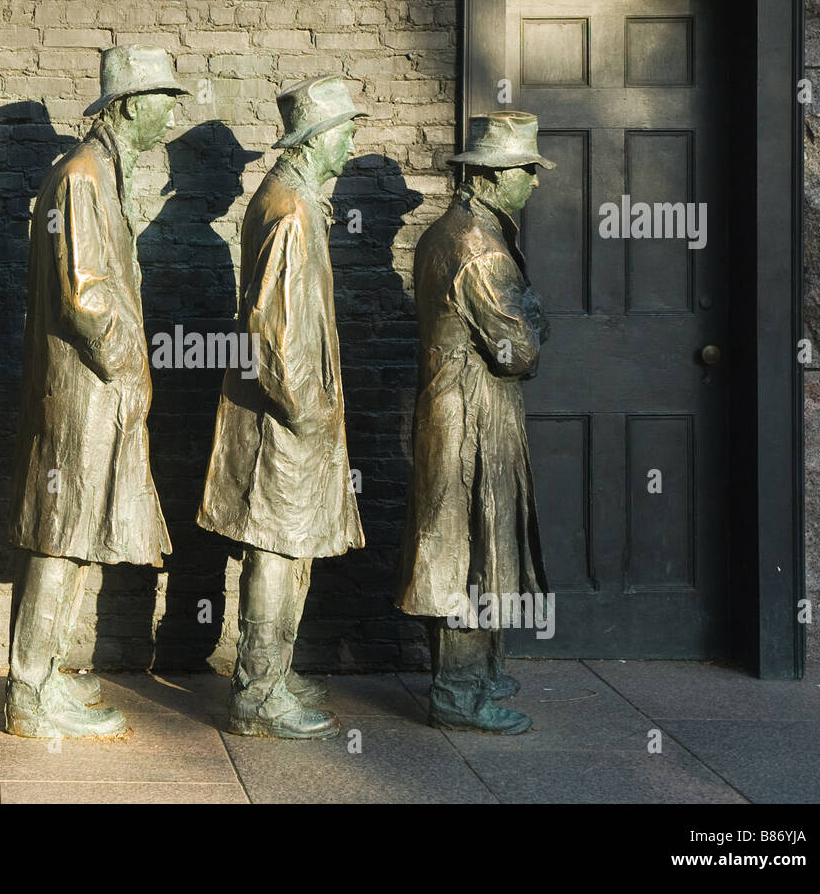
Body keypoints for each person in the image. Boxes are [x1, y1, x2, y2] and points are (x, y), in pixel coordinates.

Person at [6, 45, 186, 738]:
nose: (173, 110)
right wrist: (131, 368)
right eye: (166, 97)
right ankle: (28, 689)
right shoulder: (82, 176)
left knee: (78, 534)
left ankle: (45, 674)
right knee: (62, 532)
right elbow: (87, 297)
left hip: (93, 389)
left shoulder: (100, 172)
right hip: (85, 390)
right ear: (134, 104)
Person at [198, 76, 367, 739]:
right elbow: (275, 329)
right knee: (278, 548)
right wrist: (309, 412)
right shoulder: (292, 208)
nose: (352, 146)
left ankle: (273, 668)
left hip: (288, 409)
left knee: (289, 547)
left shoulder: (288, 199)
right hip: (287, 415)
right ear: (319, 138)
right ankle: (259, 690)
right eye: (347, 132)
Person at [398, 110, 553, 734]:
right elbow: (517, 351)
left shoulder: (451, 230)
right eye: (525, 171)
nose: (534, 182)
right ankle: (460, 692)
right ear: (490, 177)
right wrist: (536, 322)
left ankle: (480, 669)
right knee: (471, 546)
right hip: (473, 414)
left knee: (477, 542)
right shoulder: (477, 248)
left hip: (461, 405)